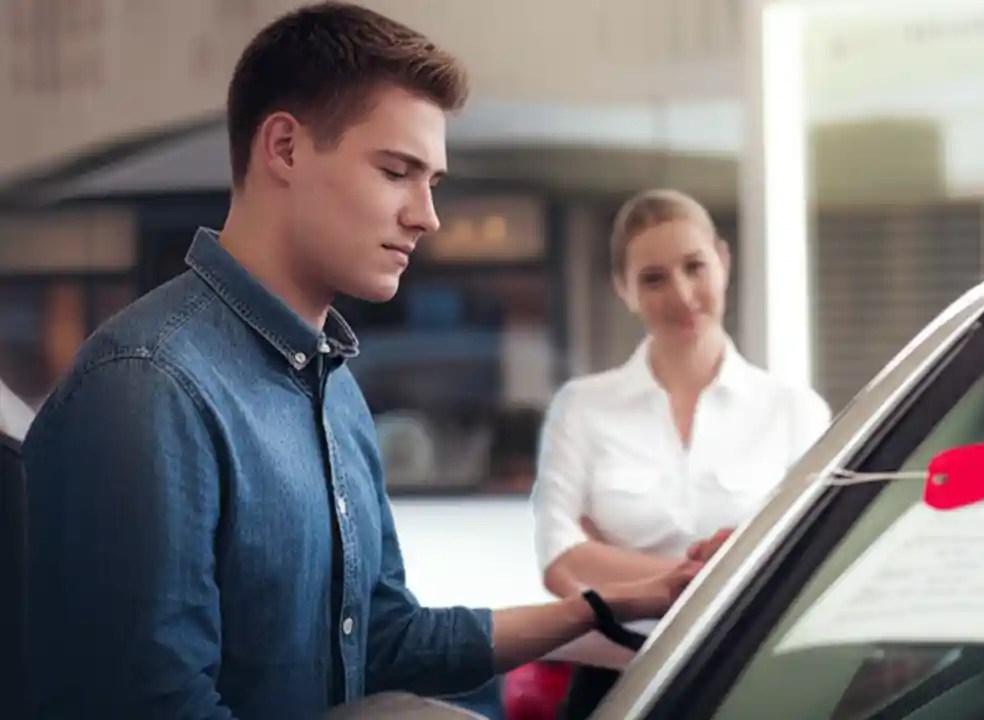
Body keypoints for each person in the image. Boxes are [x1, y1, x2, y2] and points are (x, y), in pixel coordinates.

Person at [20, 5, 711, 719]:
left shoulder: (333, 388)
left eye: (433, 182)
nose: (427, 215)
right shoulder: (147, 386)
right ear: (284, 148)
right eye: (396, 171)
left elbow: (385, 641)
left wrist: (605, 606)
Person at [530, 189, 833, 718]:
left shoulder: (795, 410)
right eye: (653, 278)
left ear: (724, 260)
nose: (682, 293)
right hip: (613, 680)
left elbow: (811, 556)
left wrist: (614, 565)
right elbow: (559, 558)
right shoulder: (581, 407)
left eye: (695, 266)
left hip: (748, 679)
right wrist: (720, 574)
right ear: (624, 289)